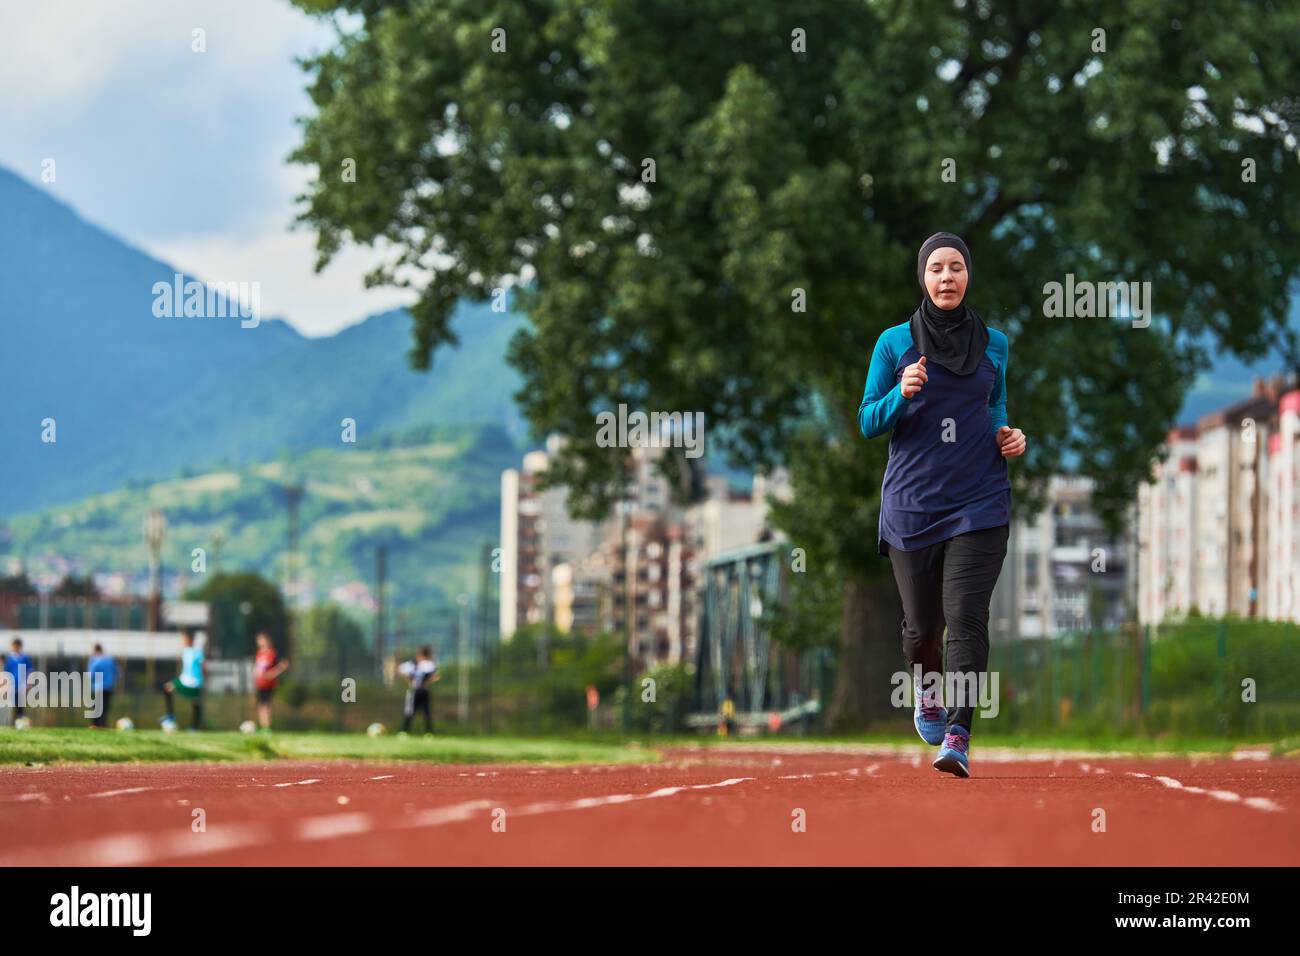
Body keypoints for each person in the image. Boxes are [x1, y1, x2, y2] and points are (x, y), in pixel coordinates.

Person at [858, 231, 1027, 778]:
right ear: (923, 278)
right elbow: (867, 420)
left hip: (979, 498)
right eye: (936, 268)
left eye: (956, 267)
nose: (947, 277)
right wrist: (899, 393)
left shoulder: (995, 343)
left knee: (966, 616)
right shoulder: (893, 344)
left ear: (968, 275)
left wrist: (1007, 433)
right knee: (921, 631)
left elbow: (993, 403)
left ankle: (959, 732)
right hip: (912, 504)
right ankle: (927, 692)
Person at [161, 629, 205, 730]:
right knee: (167, 688)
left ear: (190, 640)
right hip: (186, 680)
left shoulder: (197, 652)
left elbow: (202, 667)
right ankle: (173, 717)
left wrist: (202, 680)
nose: (183, 642)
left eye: (185, 639)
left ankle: (192, 726)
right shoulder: (186, 651)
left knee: (196, 703)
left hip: (192, 682)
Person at [253, 631, 289, 730]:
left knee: (266, 705)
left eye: (262, 639)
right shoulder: (259, 653)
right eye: (259, 640)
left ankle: (267, 727)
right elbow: (258, 668)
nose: (260, 642)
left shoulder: (272, 654)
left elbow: (283, 665)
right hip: (260, 683)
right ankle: (263, 727)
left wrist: (271, 674)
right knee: (261, 705)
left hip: (269, 684)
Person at [398, 646, 439, 734]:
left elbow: (400, 670)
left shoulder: (413, 663)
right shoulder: (429, 664)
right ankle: (428, 733)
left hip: (414, 690)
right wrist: (427, 683)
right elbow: (436, 676)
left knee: (410, 711)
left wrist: (409, 681)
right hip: (423, 691)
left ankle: (404, 731)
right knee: (425, 712)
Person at [4, 637, 35, 728]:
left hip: (22, 685)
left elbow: (30, 670)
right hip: (12, 685)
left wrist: (29, 683)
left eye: (17, 646)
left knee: (20, 705)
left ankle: (20, 722)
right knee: (12, 705)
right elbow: (7, 672)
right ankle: (13, 723)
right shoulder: (10, 659)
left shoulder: (25, 658)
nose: (15, 648)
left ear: (20, 646)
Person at [87, 643, 118, 729]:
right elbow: (117, 673)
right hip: (108, 687)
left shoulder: (94, 661)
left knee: (96, 707)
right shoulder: (110, 660)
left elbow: (91, 675)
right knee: (105, 707)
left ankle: (95, 725)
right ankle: (103, 725)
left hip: (97, 687)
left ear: (95, 650)